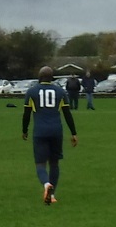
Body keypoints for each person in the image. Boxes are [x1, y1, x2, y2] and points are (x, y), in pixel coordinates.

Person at [22, 67, 78, 204]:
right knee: (54, 163)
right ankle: (52, 196)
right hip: (56, 131)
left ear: (39, 77)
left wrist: (24, 130)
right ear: (52, 78)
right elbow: (67, 114)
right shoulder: (60, 92)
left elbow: (26, 114)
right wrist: (73, 133)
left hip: (40, 131)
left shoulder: (31, 92)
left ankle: (47, 184)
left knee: (40, 164)